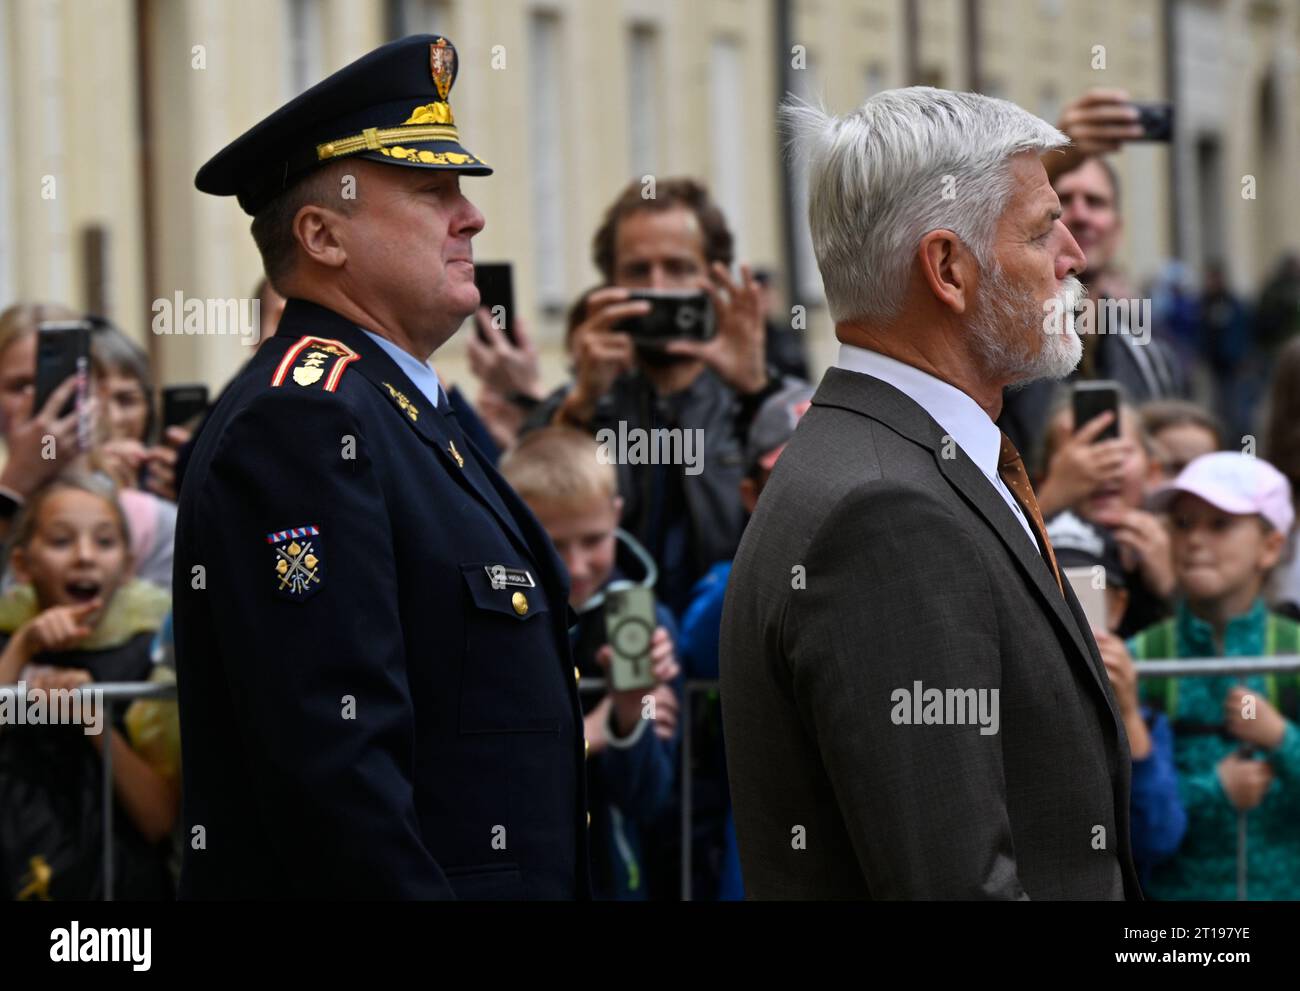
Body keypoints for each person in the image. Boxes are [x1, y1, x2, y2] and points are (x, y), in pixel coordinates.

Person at [176, 34, 589, 899]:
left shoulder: (399, 407)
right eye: (432, 191)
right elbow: (336, 781)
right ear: (322, 234)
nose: (470, 216)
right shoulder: (304, 422)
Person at [722, 86, 1141, 899]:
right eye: (1039, 229)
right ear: (948, 269)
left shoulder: (893, 460)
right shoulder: (884, 512)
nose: (1074, 255)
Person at [522, 177, 784, 617]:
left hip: (730, 665)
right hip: (607, 662)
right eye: (639, 271)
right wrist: (582, 404)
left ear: (714, 277)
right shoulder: (581, 404)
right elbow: (524, 510)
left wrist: (755, 390)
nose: (659, 288)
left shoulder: (764, 399)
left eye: (678, 268)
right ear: (610, 284)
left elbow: (809, 526)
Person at [499, 427, 681, 900]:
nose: (576, 567)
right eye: (554, 545)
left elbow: (649, 798)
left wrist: (629, 711)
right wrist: (587, 735)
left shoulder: (645, 624)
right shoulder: (495, 626)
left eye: (594, 540)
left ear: (617, 516)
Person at [1127, 452, 1300, 900]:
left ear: (1270, 547)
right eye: (1182, 524)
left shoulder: (1294, 651)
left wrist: (1282, 738)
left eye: (1220, 525)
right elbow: (1134, 824)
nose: (1195, 541)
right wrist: (1213, 789)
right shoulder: (1142, 657)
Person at [0, 472, 174, 899]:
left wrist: (91, 718)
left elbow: (159, 820)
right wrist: (23, 647)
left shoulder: (149, 655)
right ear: (22, 565)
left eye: (105, 541)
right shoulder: (8, 640)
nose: (84, 557)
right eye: (60, 541)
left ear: (129, 565)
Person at [997, 89, 1186, 458]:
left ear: (1117, 229)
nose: (1080, 215)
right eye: (1064, 201)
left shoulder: (1153, 356)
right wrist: (1052, 160)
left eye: (1095, 202)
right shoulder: (1004, 342)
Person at [1045, 510, 1185, 887]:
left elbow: (1158, 838)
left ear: (1119, 606)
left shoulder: (1146, 714)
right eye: (1054, 594)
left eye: (1085, 597)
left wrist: (1128, 714)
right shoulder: (1010, 699)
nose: (1070, 618)